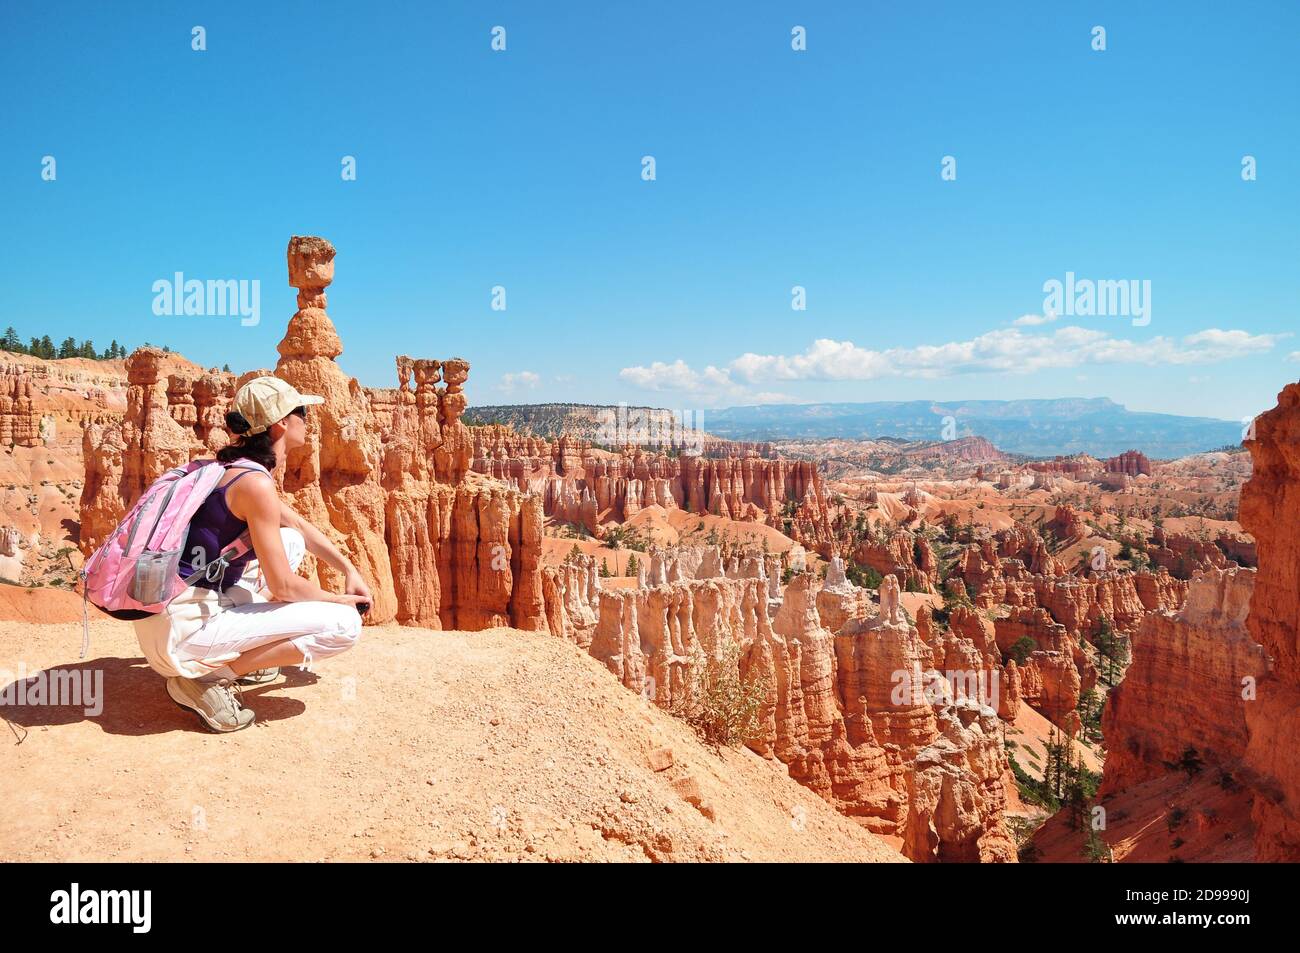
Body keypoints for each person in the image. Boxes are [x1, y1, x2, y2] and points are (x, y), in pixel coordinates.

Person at [134, 376, 372, 732]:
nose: (307, 421)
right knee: (344, 626)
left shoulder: (231, 469)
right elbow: (286, 587)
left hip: (168, 614)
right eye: (301, 413)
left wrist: (348, 568)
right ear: (280, 424)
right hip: (184, 631)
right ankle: (208, 680)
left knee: (288, 540)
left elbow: (299, 528)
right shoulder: (255, 483)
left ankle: (242, 653)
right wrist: (340, 600)